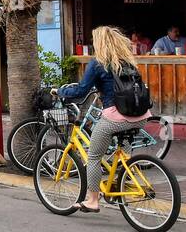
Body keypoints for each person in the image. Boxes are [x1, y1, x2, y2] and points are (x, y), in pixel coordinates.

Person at [58, 26, 152, 214]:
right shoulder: (128, 62)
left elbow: (81, 91)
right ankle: (122, 177)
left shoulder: (98, 63)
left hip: (116, 117)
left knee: (93, 157)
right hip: (141, 116)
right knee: (122, 150)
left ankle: (93, 200)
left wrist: (60, 91)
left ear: (99, 43)